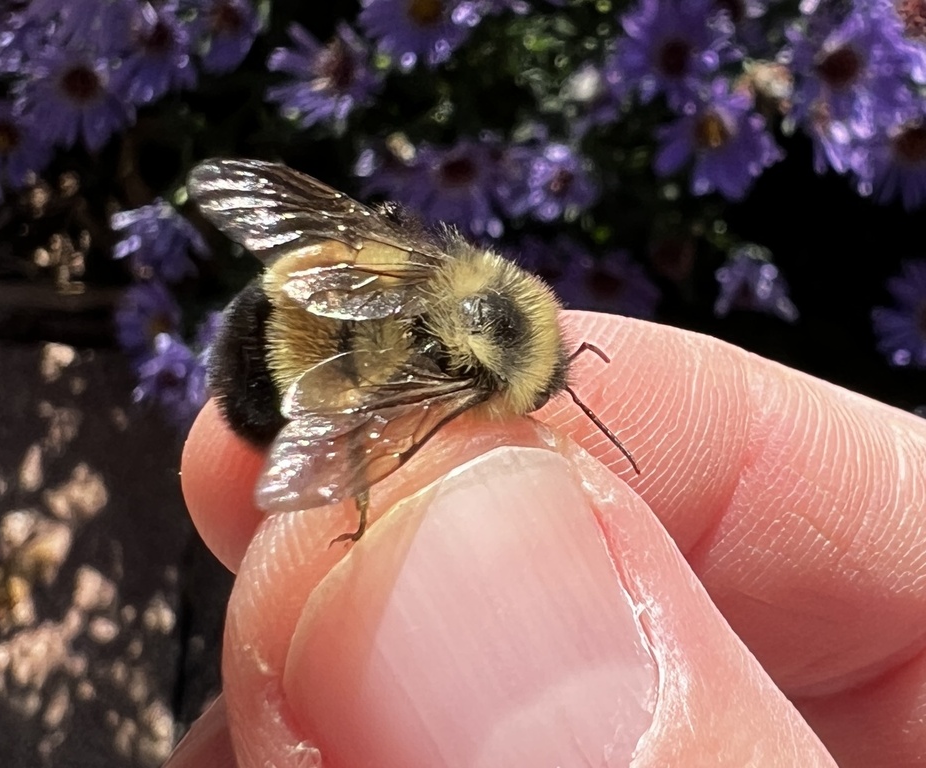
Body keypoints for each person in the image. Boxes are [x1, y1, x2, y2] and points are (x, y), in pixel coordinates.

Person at [166, 313, 926, 767]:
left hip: (285, 327)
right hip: (284, 365)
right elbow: (392, 433)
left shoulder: (442, 286)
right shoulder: (452, 377)